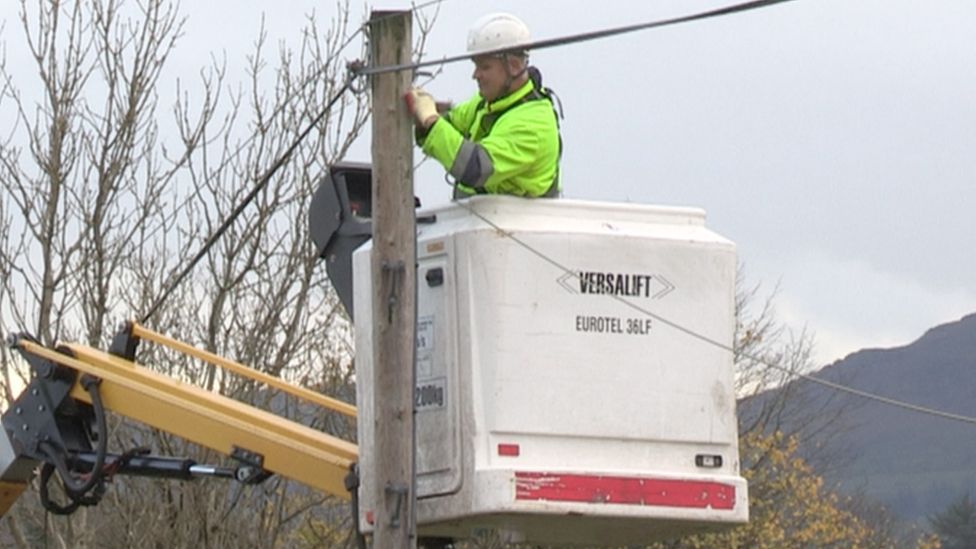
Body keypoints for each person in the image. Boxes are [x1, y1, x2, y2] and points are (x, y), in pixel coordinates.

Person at [405, 13, 562, 198]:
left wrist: (431, 121)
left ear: (513, 66)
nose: (475, 75)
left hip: (516, 223)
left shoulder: (533, 124)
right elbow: (452, 121)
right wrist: (421, 114)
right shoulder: (488, 103)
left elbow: (475, 168)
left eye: (484, 67)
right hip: (484, 219)